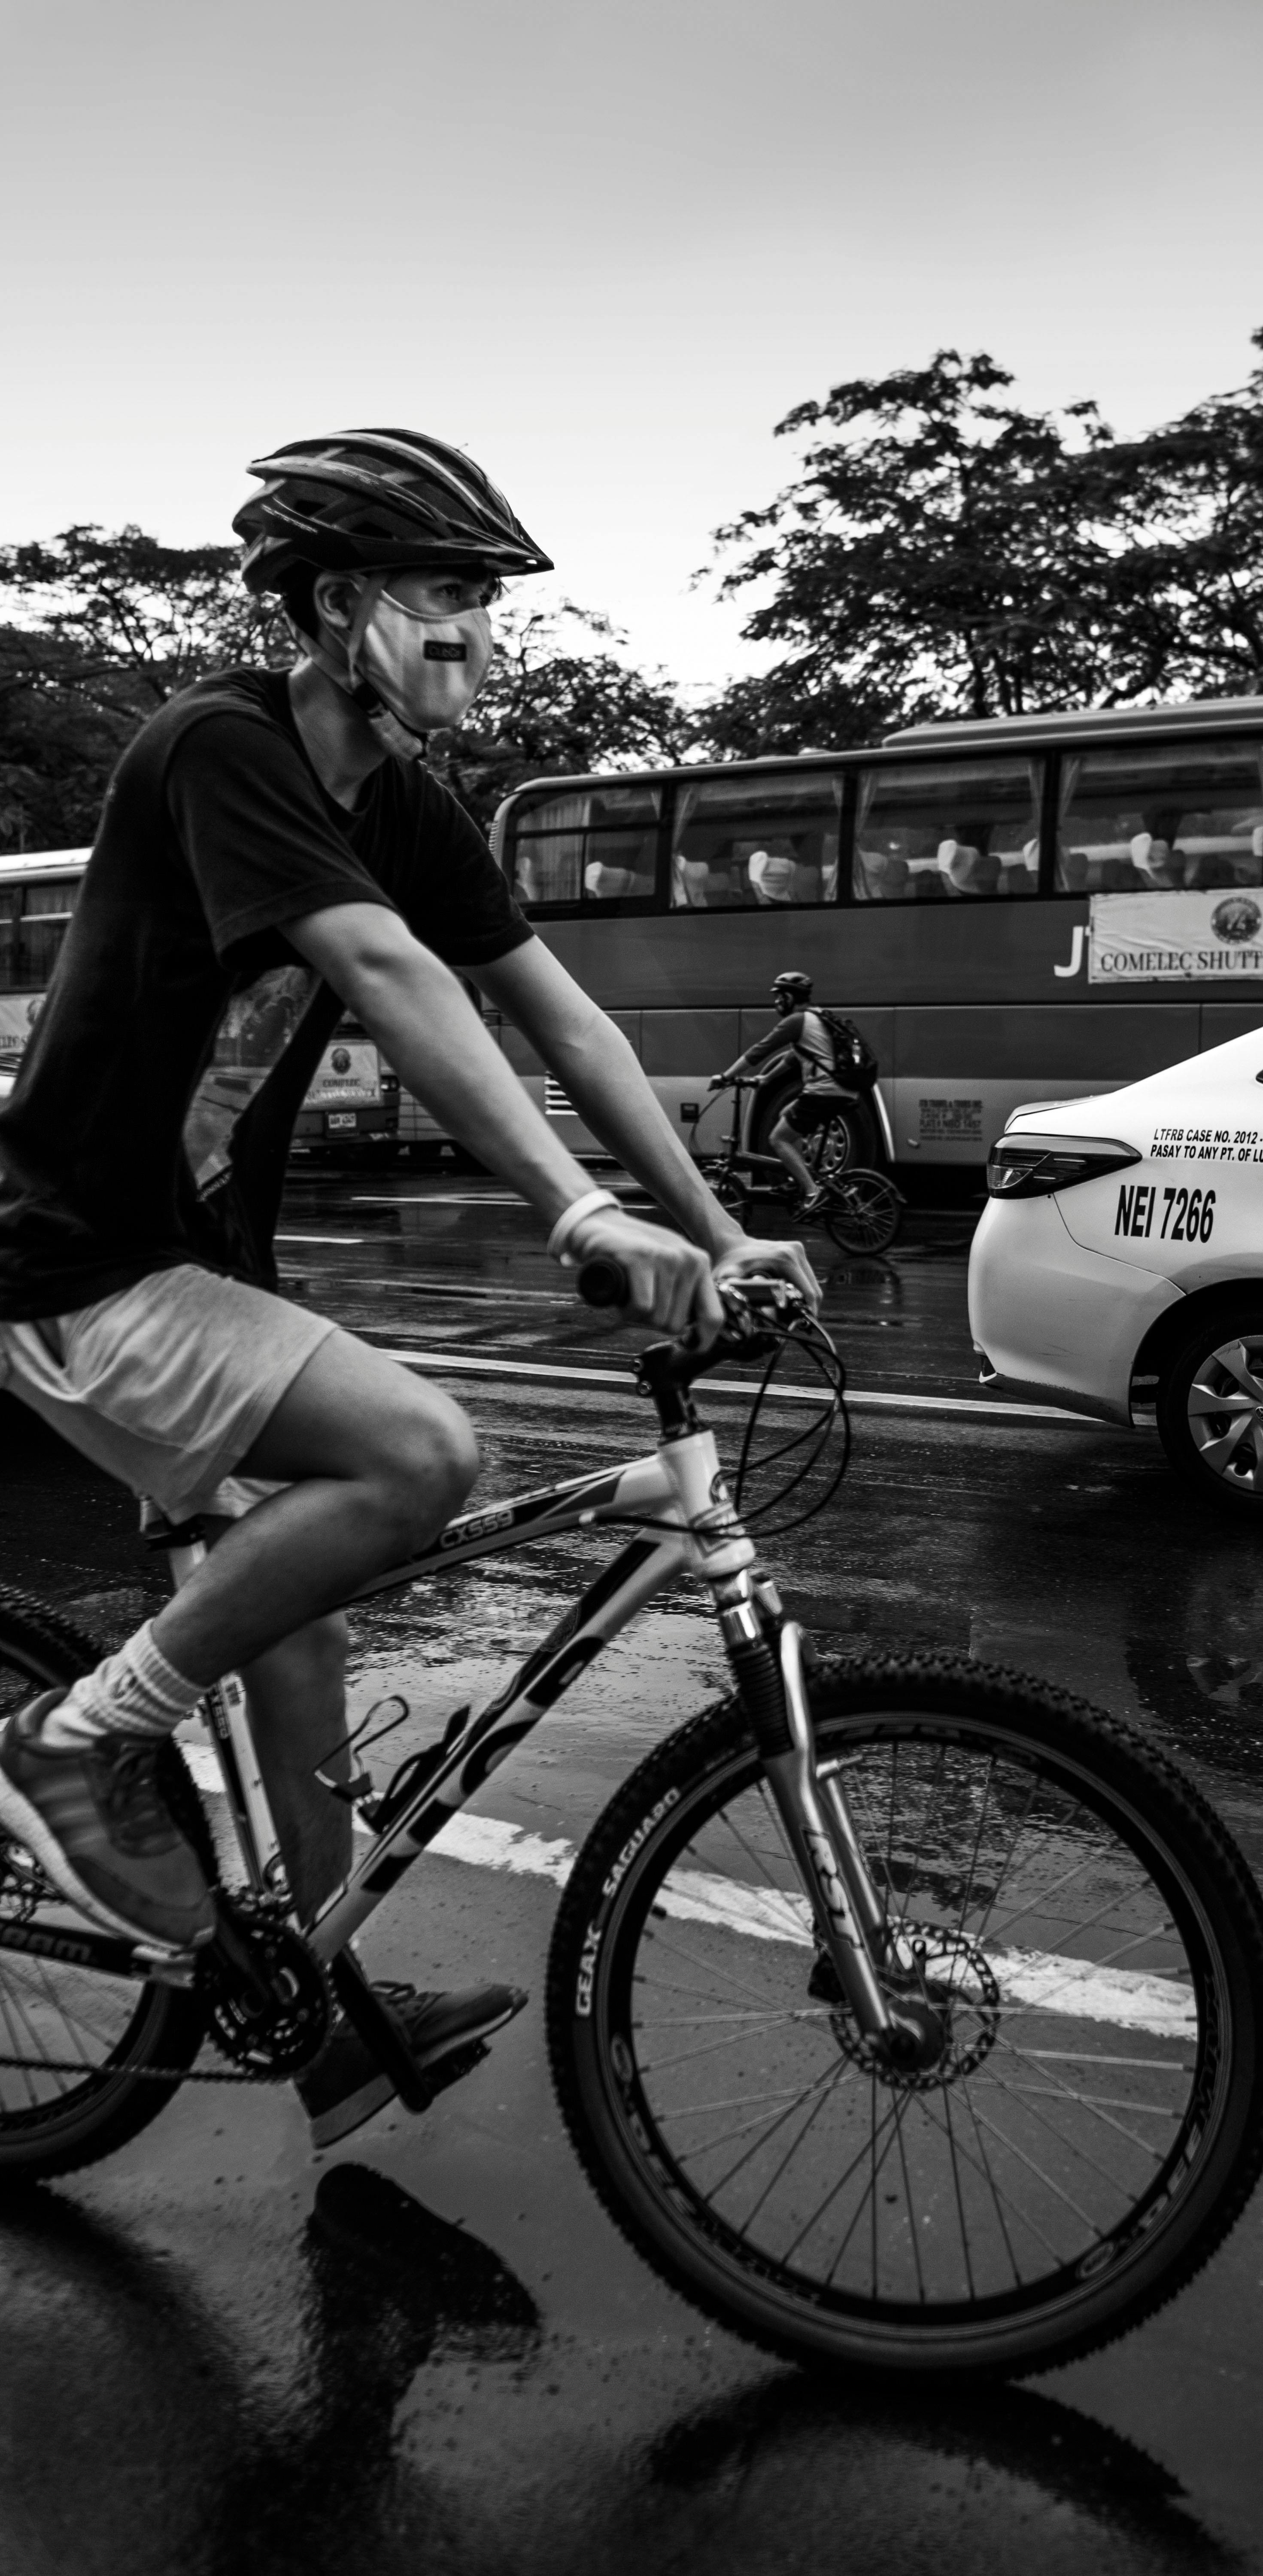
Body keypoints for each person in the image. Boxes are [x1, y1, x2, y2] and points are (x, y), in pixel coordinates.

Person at [0, 426, 817, 2148]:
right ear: (337, 607)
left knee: (291, 1621)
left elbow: (561, 1018)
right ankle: (74, 1748)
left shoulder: (406, 804)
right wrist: (574, 1216)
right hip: (68, 1259)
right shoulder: (213, 748)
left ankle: (326, 2026)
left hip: (189, 1263)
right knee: (421, 1458)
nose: (478, 638)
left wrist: (719, 1228)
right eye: (449, 599)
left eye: (487, 606)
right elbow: (377, 967)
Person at [711, 971, 862, 1216]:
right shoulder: (818, 1017)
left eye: (780, 997)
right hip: (843, 1091)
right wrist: (766, 1079)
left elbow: (759, 1051)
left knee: (778, 1139)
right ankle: (803, 1175)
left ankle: (813, 1192)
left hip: (823, 1092)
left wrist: (726, 1076)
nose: (777, 1003)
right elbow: (795, 1057)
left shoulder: (796, 1021)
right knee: (785, 1114)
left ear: (791, 998)